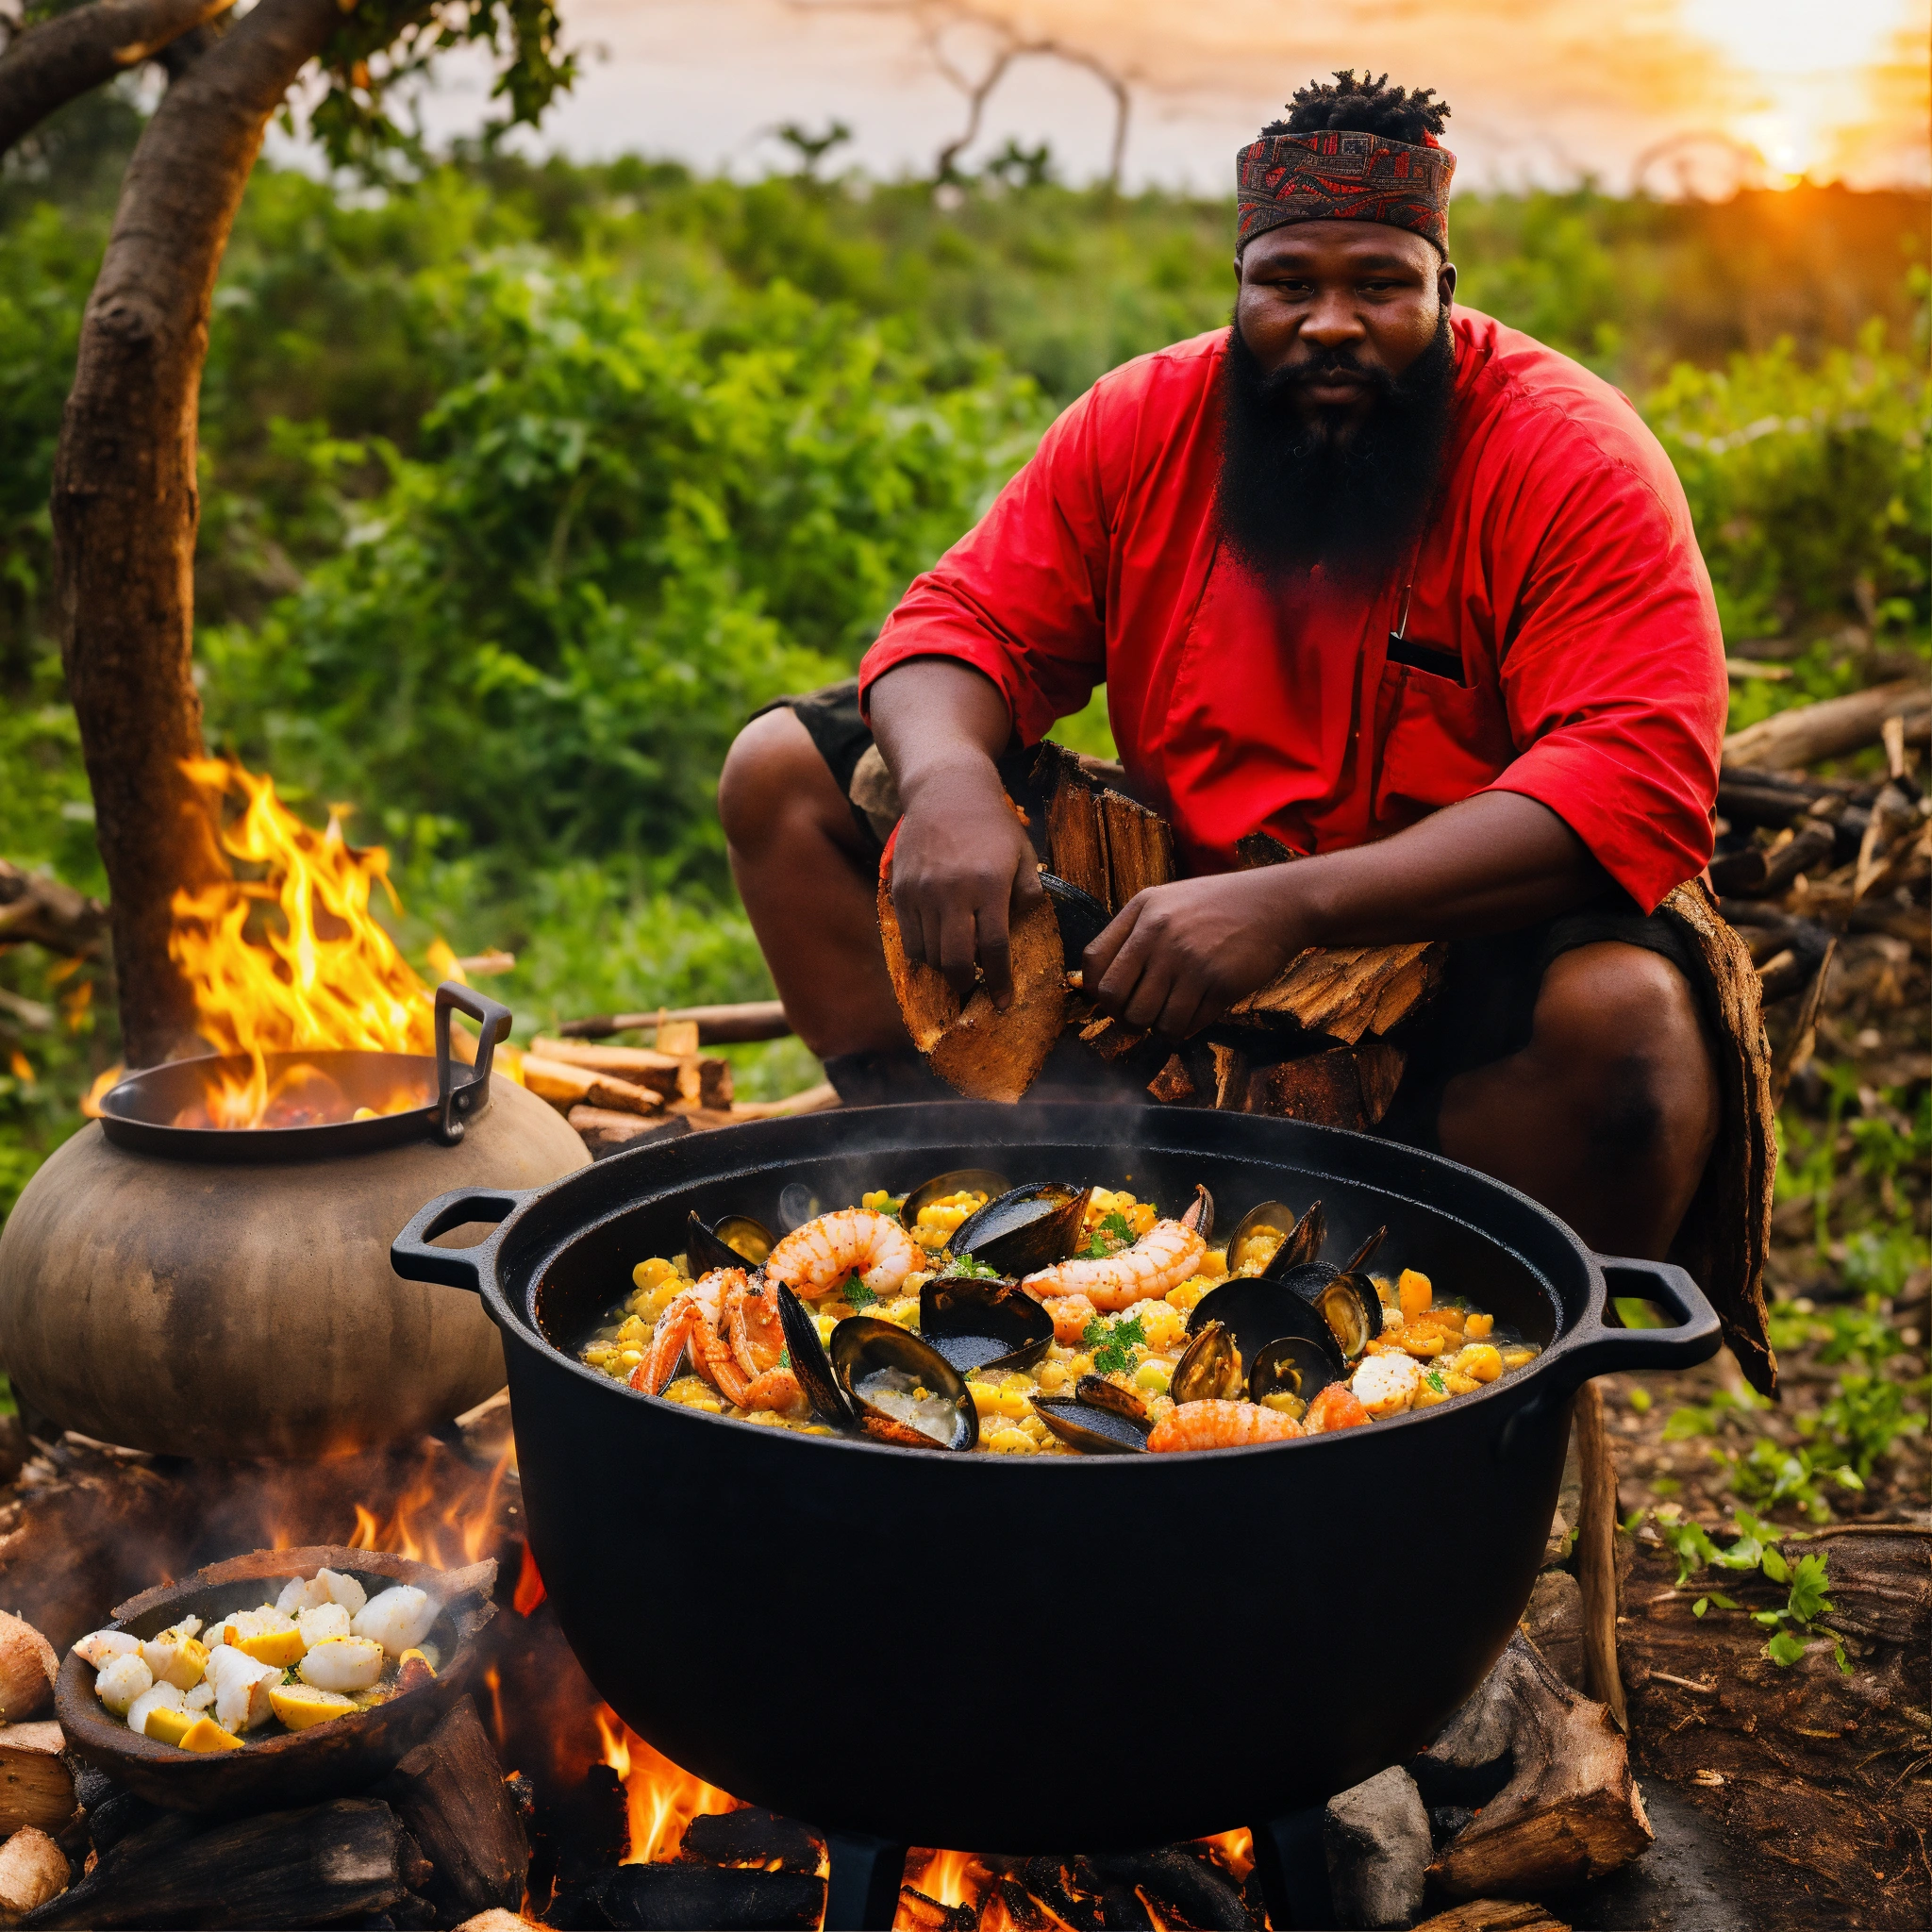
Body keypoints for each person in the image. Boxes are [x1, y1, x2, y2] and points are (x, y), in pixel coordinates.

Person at [720, 71, 1728, 1264]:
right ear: (1240, 286)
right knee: (783, 774)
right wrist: (948, 785)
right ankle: (969, 1198)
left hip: (1449, 937)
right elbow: (958, 621)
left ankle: (1480, 1321)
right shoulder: (1143, 418)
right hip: (1166, 918)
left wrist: (1291, 902)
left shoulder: (1569, 457)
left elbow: (1636, 772)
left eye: (1379, 285)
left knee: (1627, 1022)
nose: (1329, 323)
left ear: (1445, 291)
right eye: (1288, 282)